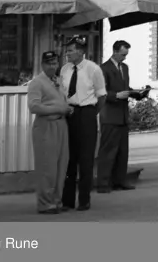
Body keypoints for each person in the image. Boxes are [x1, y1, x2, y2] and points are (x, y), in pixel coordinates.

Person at [58, 37, 105, 212]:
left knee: (85, 159)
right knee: (69, 158)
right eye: (67, 50)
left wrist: (91, 112)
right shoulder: (64, 69)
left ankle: (84, 199)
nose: (67, 53)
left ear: (80, 51)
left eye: (70, 50)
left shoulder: (93, 69)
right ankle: (67, 200)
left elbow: (102, 96)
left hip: (86, 112)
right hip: (69, 113)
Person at [98, 40, 148, 193]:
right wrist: (116, 95)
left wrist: (138, 94)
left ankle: (119, 180)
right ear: (114, 51)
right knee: (108, 151)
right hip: (110, 115)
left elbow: (125, 88)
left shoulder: (125, 68)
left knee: (122, 151)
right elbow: (101, 91)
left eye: (126, 55)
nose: (125, 58)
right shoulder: (103, 68)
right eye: (123, 54)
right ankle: (103, 183)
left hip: (122, 115)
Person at [27, 51, 71, 214]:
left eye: (55, 63)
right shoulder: (37, 83)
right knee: (48, 167)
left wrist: (66, 108)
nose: (53, 66)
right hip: (46, 126)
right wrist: (58, 108)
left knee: (61, 165)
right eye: (49, 63)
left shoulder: (57, 81)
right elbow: (34, 106)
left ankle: (56, 201)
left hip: (61, 124)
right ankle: (45, 203)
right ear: (42, 65)